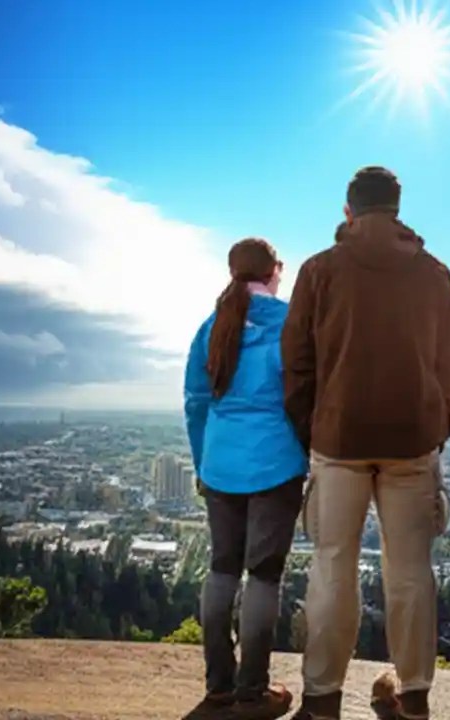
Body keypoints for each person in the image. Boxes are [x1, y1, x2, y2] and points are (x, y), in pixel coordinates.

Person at [281, 166, 450, 720]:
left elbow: (296, 363)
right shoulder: (435, 275)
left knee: (332, 565)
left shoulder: (319, 272)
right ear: (397, 208)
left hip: (337, 441)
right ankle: (412, 695)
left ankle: (321, 698)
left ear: (348, 211)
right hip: (412, 441)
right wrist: (436, 424)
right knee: (410, 570)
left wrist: (312, 428)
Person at [183, 238, 309, 720]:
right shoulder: (291, 322)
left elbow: (195, 403)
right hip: (276, 464)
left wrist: (201, 463)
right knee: (263, 574)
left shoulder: (211, 326)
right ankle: (252, 692)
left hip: (220, 464)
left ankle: (218, 685)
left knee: (221, 568)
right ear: (275, 271)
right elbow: (305, 393)